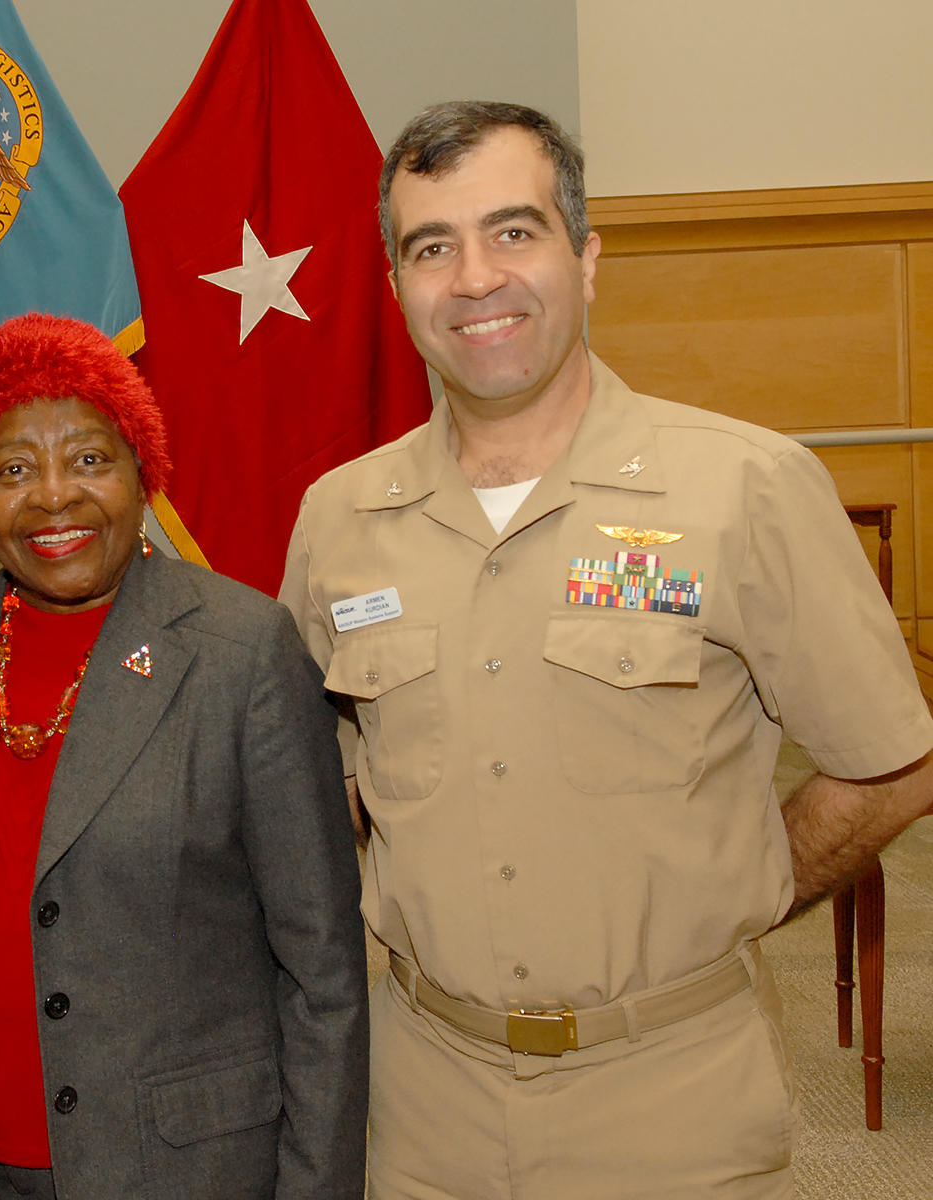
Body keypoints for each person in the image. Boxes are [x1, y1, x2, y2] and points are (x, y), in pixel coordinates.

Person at [280, 101, 933, 1199]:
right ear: (398, 288)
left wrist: (750, 888)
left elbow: (896, 761)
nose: (475, 277)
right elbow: (321, 786)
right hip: (419, 1112)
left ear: (587, 259)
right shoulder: (338, 521)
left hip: (675, 1105)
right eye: (431, 247)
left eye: (514, 232)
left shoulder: (743, 488)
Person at [0, 313, 368, 1200]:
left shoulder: (241, 653)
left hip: (185, 1172)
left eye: (91, 459)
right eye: (12, 470)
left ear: (144, 474)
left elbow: (321, 975)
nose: (54, 496)